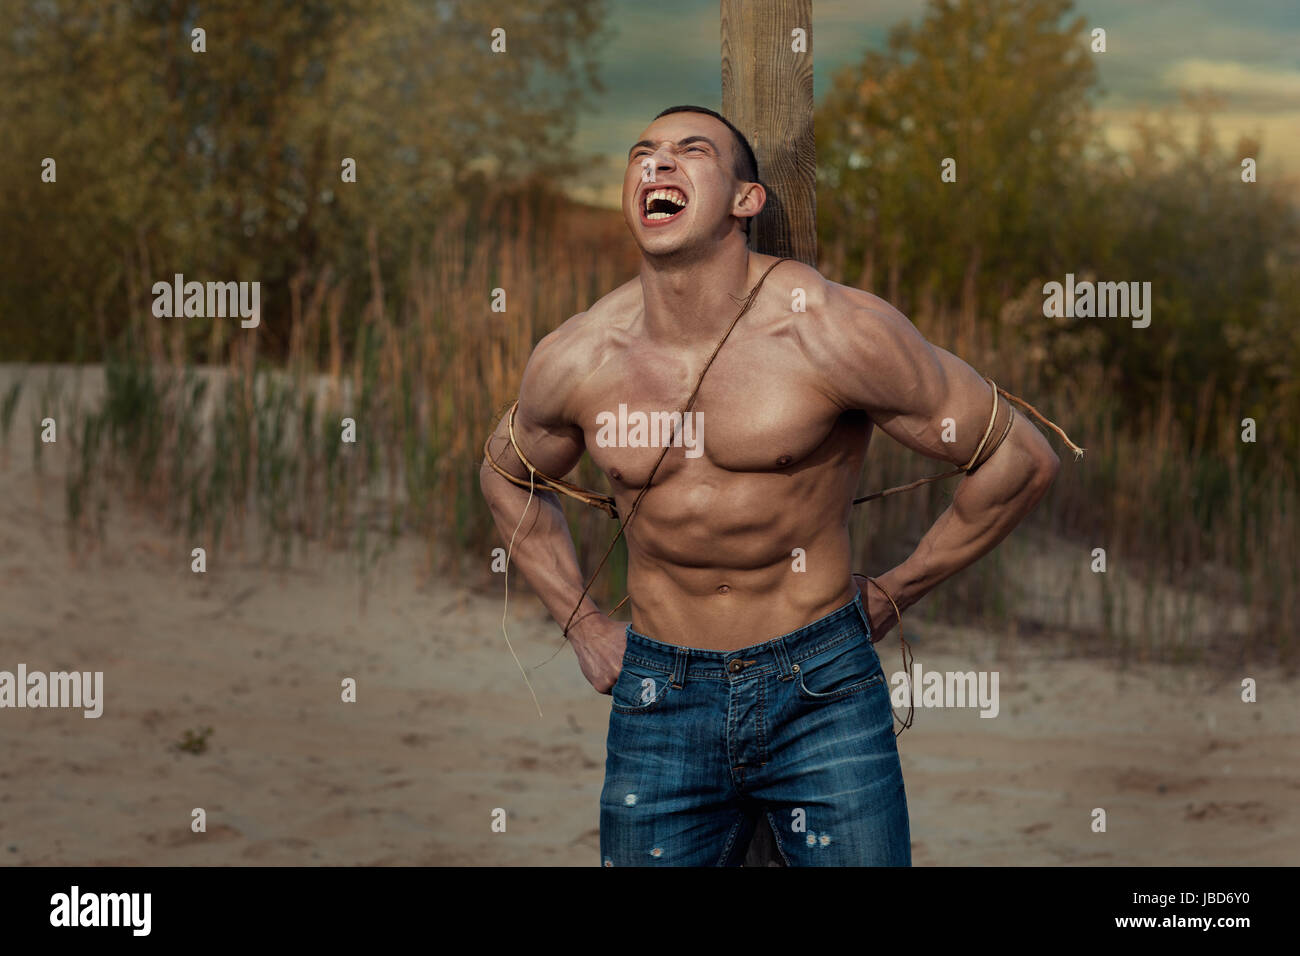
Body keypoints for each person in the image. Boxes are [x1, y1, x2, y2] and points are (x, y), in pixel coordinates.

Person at [479, 105, 1060, 866]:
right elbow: (505, 474)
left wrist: (894, 592)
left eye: (690, 151)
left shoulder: (830, 329)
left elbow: (1020, 459)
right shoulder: (580, 355)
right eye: (641, 154)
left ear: (746, 202)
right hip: (660, 695)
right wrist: (583, 624)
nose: (657, 165)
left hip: (821, 689)